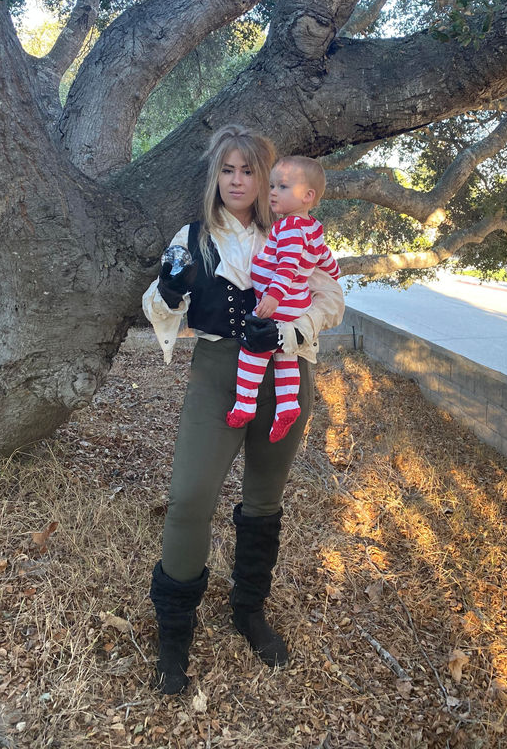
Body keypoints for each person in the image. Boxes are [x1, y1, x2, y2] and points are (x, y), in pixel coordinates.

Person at [141, 124, 344, 695]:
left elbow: (331, 297)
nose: (237, 180)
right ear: (216, 176)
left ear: (265, 176)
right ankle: (175, 633)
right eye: (227, 170)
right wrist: (168, 285)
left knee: (263, 499)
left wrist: (290, 326)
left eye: (248, 170)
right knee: (188, 500)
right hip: (217, 375)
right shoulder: (193, 236)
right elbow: (159, 305)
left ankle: (248, 610)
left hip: (285, 369)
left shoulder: (295, 232)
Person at [226, 156, 340, 442]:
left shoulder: (288, 228)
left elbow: (287, 265)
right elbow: (324, 255)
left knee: (253, 353)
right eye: (273, 185)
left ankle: (244, 404)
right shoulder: (312, 227)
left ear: (307, 196)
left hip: (279, 303)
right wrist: (334, 271)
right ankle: (288, 406)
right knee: (286, 357)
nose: (273, 192)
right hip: (296, 304)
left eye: (282, 187)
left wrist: (274, 296)